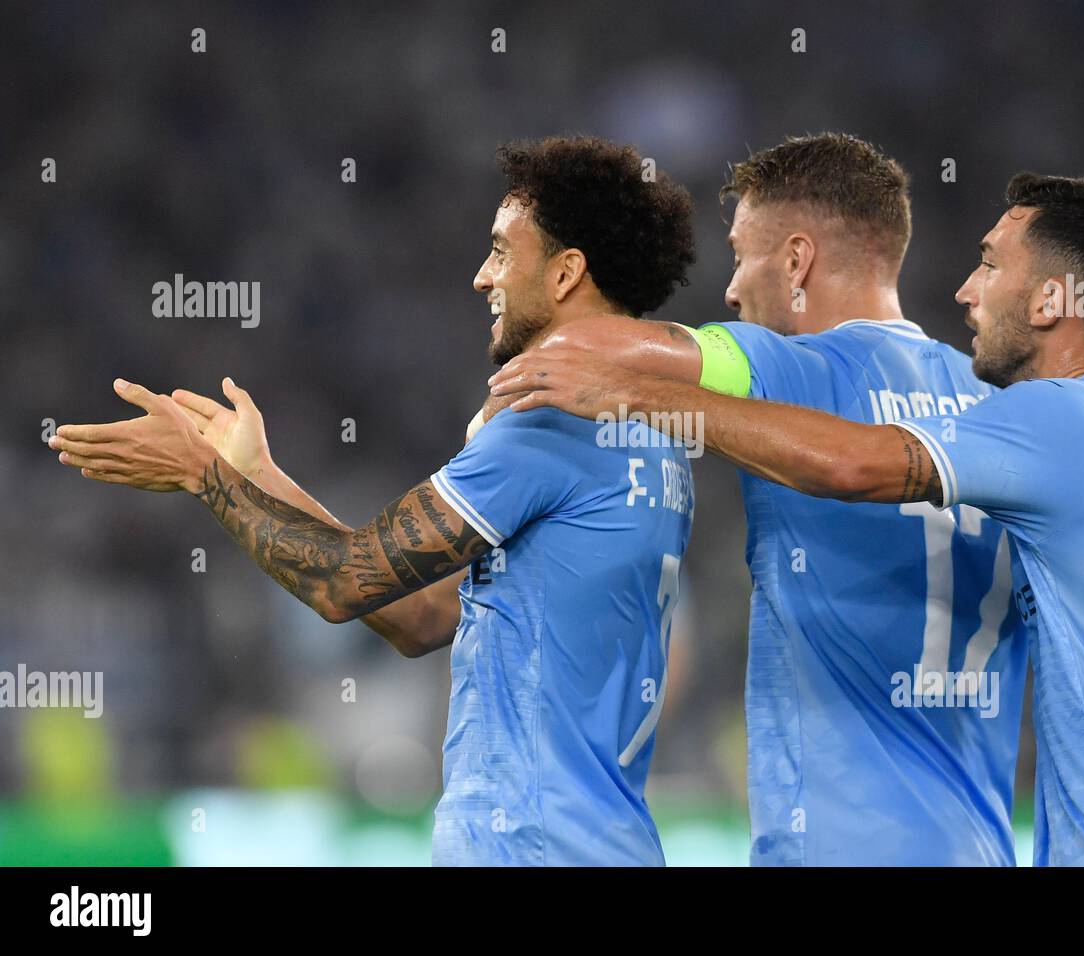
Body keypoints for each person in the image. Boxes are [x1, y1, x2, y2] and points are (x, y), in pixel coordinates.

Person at [489, 171, 1084, 866]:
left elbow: (852, 464)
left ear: (1052, 299)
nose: (966, 289)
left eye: (991, 265)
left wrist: (633, 392)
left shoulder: (1057, 421)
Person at [50, 136, 699, 867]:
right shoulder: (650, 436)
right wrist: (259, 474)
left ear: (565, 273)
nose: (482, 276)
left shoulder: (546, 423)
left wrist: (205, 476)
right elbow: (417, 614)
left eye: (500, 252)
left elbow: (340, 583)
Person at [496, 134, 1026, 865]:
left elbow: (615, 347)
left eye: (744, 254)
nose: (732, 287)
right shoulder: (1001, 408)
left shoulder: (787, 365)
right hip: (985, 846)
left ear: (797, 260)